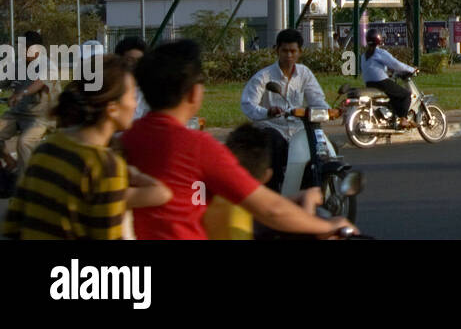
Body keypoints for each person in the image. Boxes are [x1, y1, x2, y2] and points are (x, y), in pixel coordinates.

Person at [124, 40, 350, 240]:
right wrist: (327, 225)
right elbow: (269, 210)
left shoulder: (126, 139)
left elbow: (201, 199)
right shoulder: (197, 147)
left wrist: (297, 198)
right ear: (194, 92)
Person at [4, 55, 171, 240]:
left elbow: (12, 225)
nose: (135, 104)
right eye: (132, 96)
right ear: (112, 108)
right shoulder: (106, 166)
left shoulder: (47, 148)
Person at [240, 28, 328, 193]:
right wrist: (267, 112)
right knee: (275, 144)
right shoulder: (263, 76)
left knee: (321, 148)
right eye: (285, 51)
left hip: (298, 129)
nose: (289, 55)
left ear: (300, 52)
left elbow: (317, 100)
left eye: (293, 51)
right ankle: (274, 193)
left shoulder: (305, 74)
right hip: (272, 128)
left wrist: (332, 111)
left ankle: (310, 191)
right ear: (277, 50)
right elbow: (247, 104)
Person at [0, 31, 55, 177]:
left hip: (40, 116)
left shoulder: (48, 65)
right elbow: (3, 80)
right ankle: (9, 161)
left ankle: (26, 184)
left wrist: (22, 93)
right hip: (16, 113)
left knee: (24, 142)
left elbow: (39, 83)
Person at [362, 28, 416, 128]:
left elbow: (374, 68)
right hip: (382, 82)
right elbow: (396, 64)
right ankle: (403, 119)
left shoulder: (364, 55)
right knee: (406, 95)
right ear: (379, 40)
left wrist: (389, 73)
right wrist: (411, 69)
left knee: (393, 96)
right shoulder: (380, 52)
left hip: (369, 84)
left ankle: (392, 119)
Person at [114, 36, 150, 120]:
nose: (135, 65)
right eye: (130, 60)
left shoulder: (149, 91)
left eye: (140, 60)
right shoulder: (112, 89)